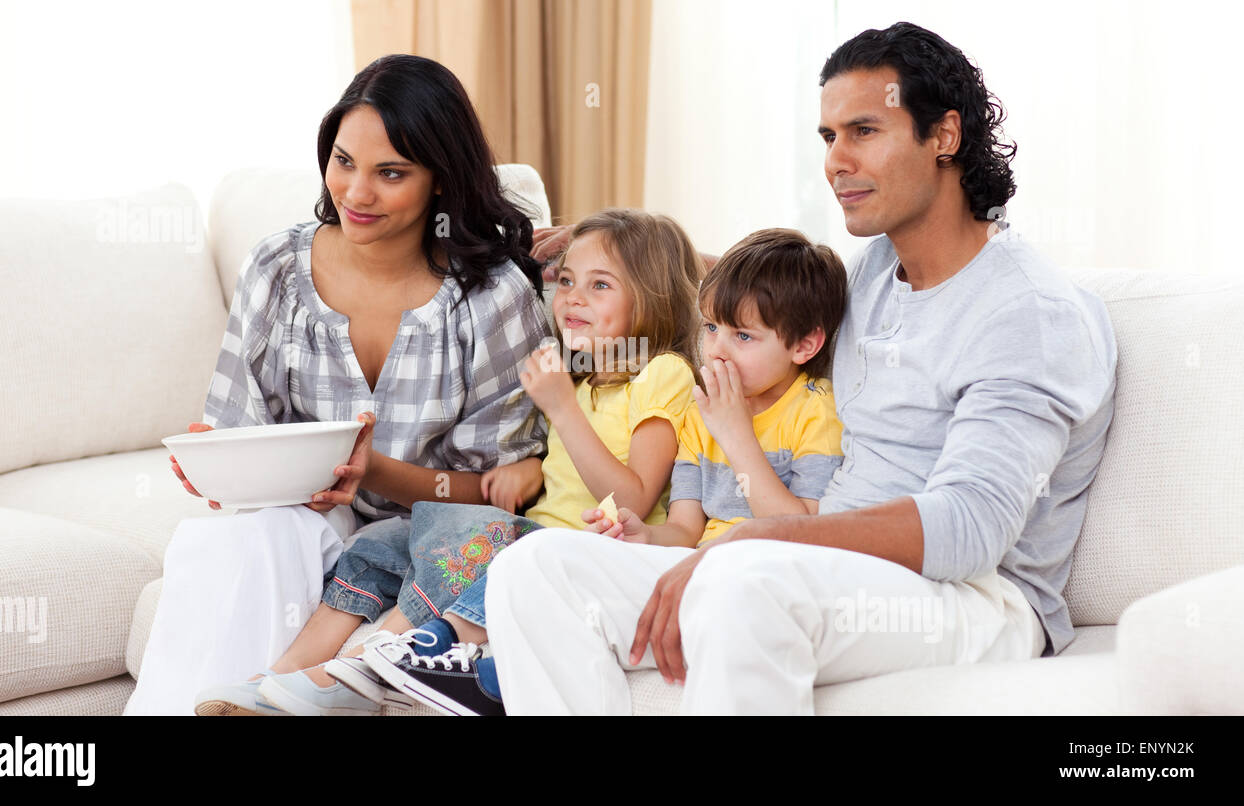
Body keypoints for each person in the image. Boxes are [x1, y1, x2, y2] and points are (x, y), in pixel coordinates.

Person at [479, 21, 1119, 715]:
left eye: (864, 131)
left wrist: (770, 536)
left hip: (977, 597)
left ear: (945, 136)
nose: (836, 161)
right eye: (828, 137)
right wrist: (622, 251)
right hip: (825, 566)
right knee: (533, 570)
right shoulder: (879, 271)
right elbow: (770, 309)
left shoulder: (1028, 312)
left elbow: (970, 530)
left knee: (743, 582)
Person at [124, 54, 550, 716]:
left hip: (442, 529)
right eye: (344, 161)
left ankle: (302, 686)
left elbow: (499, 495)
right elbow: (239, 425)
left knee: (459, 542)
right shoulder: (277, 269)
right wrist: (221, 466)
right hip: (316, 516)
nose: (356, 192)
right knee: (227, 539)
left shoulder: (493, 297)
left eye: (391, 174)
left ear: (441, 182)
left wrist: (373, 472)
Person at [200, 207, 706, 715]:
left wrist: (560, 407)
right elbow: (559, 470)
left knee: (469, 541)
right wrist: (526, 470)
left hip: (577, 556)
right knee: (383, 540)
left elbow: (633, 496)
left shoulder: (661, 375)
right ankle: (276, 679)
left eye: (600, 285)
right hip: (535, 532)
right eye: (568, 279)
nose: (572, 296)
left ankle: (356, 673)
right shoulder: (576, 379)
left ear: (653, 296)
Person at [365, 227, 851, 715]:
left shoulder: (813, 410)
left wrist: (738, 437)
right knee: (539, 557)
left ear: (805, 345)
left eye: (743, 336)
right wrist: (641, 534)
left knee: (535, 553)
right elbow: (684, 528)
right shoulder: (703, 410)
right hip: (691, 563)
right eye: (709, 329)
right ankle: (494, 673)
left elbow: (800, 532)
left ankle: (488, 669)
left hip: (751, 572)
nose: (717, 351)